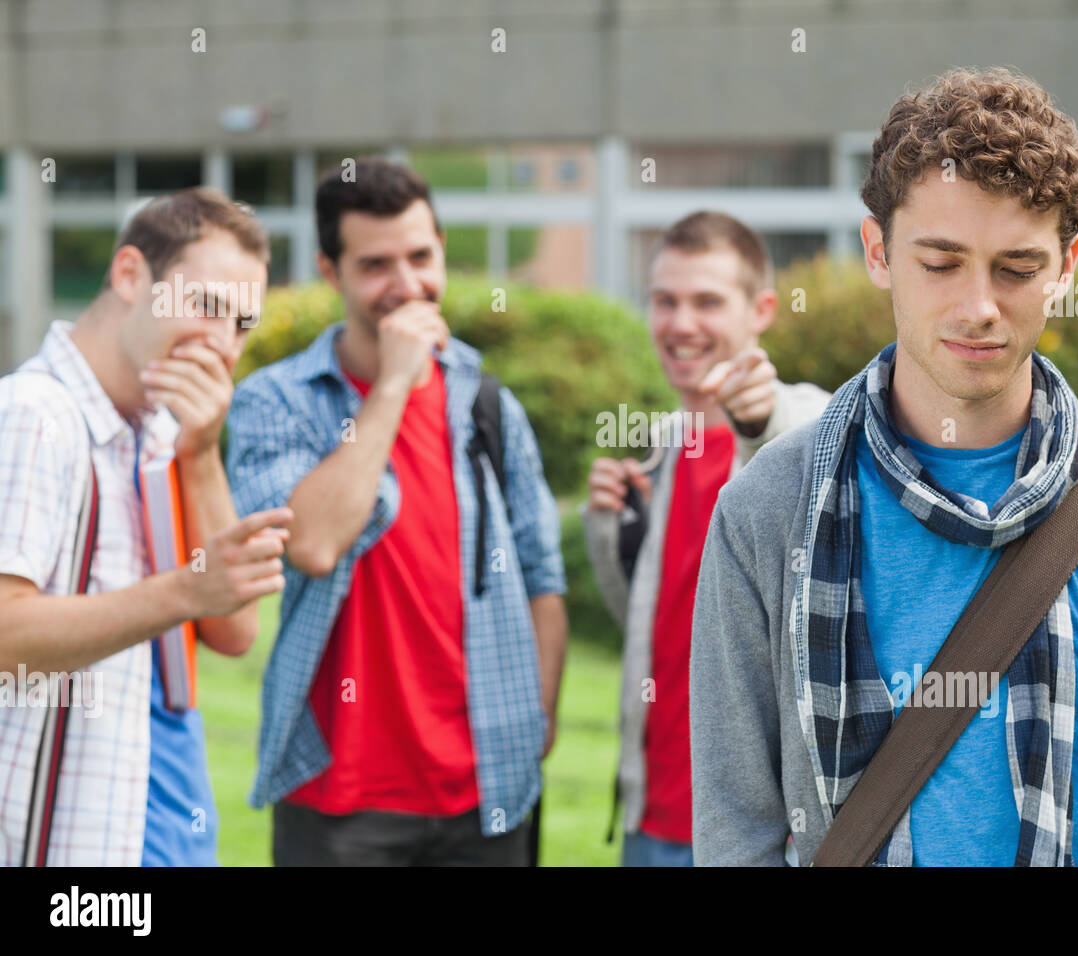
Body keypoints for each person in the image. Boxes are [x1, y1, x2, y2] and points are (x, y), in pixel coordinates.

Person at [690, 67, 1078, 867]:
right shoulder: (767, 507)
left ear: (1067, 266)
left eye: (1016, 269)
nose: (979, 307)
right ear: (878, 251)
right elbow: (737, 832)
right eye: (940, 262)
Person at [225, 156, 567, 866]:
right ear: (330, 270)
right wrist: (393, 386)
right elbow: (314, 543)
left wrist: (536, 720)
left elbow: (540, 577)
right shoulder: (277, 401)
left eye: (421, 256)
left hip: (487, 792)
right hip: (337, 800)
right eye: (376, 264)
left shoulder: (486, 400)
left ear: (442, 247)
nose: (408, 285)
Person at [0, 188, 290, 866]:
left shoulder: (159, 434)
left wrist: (202, 453)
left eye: (242, 324)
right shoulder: (35, 416)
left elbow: (233, 629)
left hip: (148, 831)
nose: (223, 344)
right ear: (131, 275)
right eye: (207, 306)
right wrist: (183, 591)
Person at [583, 210, 829, 866]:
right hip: (654, 817)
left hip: (765, 833)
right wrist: (609, 531)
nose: (681, 324)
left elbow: (786, 433)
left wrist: (758, 418)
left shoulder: (812, 427)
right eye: (665, 300)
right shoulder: (659, 450)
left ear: (762, 310)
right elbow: (650, 628)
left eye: (707, 302)